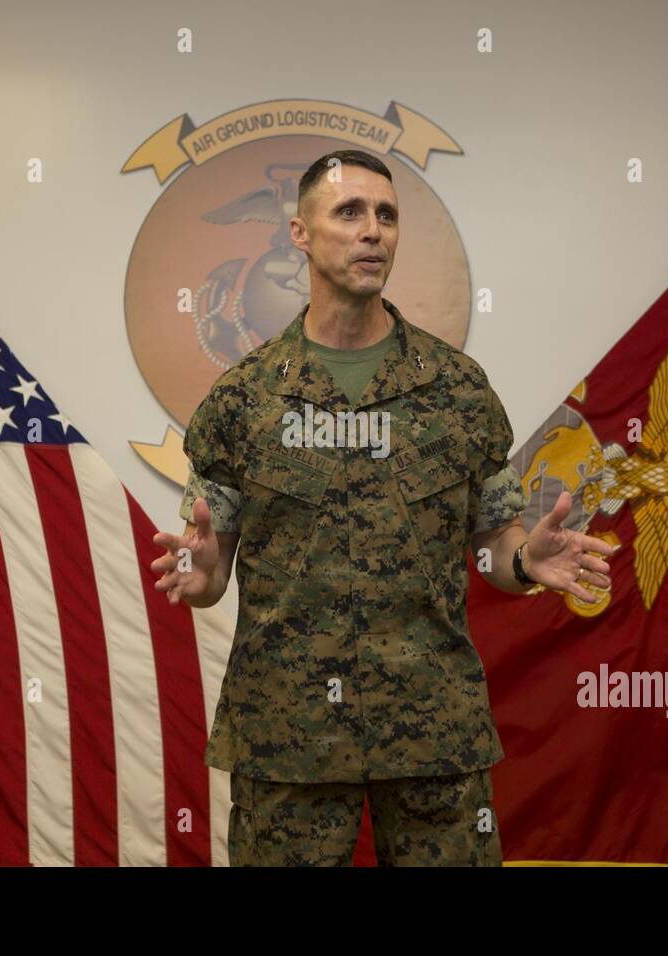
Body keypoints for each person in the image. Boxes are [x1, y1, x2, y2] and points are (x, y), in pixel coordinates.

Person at [150, 149, 618, 866]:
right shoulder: (242, 400)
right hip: (289, 735)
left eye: (387, 215)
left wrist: (524, 560)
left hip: (432, 727)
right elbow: (210, 572)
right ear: (300, 234)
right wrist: (202, 568)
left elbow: (494, 546)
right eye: (350, 212)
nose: (373, 231)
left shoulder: (458, 390)